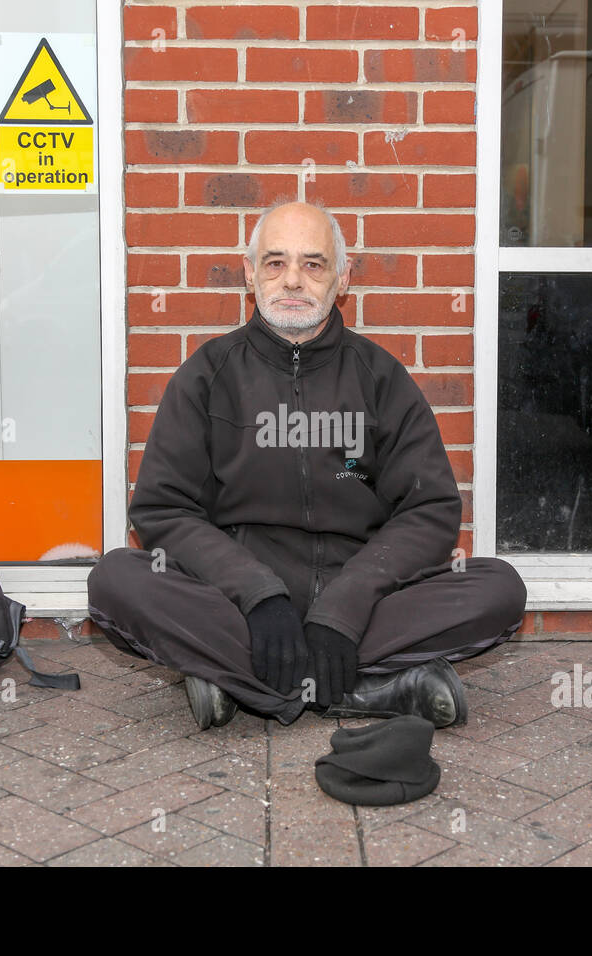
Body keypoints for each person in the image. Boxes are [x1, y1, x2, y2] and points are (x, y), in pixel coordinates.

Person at [87, 198, 527, 729]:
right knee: (116, 577)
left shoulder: (381, 379)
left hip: (362, 602)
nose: (292, 279)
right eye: (275, 263)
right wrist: (257, 593)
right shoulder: (206, 377)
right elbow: (163, 508)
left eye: (313, 264)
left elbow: (428, 508)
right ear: (251, 274)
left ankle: (242, 681)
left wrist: (344, 608)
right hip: (240, 603)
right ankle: (364, 688)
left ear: (341, 278)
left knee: (498, 587)